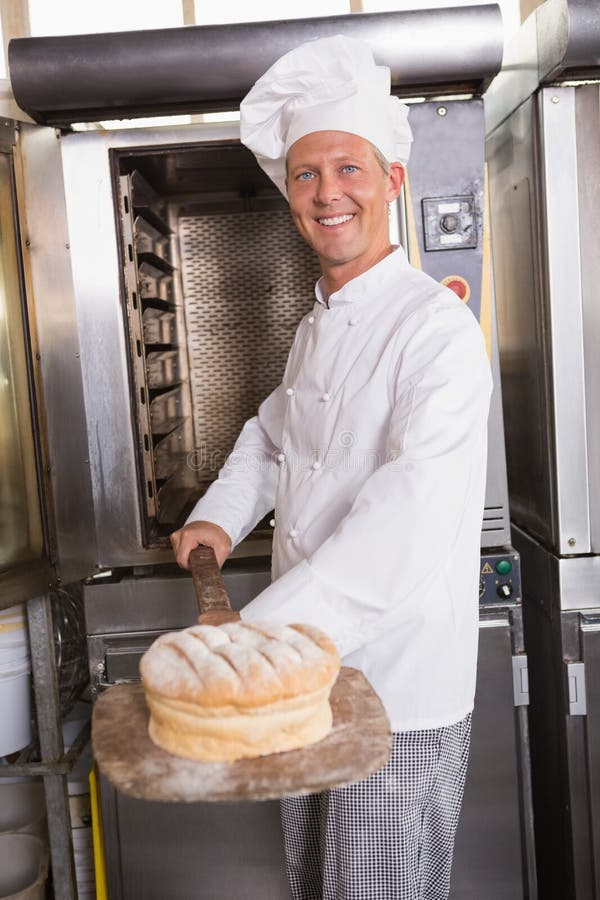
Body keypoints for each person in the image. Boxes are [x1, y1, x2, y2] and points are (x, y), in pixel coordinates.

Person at [171, 34, 492, 900]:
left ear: (391, 181)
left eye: (347, 168)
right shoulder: (319, 322)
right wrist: (221, 517)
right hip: (309, 684)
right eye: (305, 176)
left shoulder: (435, 333)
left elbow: (407, 516)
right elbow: (274, 436)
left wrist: (260, 642)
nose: (326, 193)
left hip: (390, 694)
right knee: (318, 885)